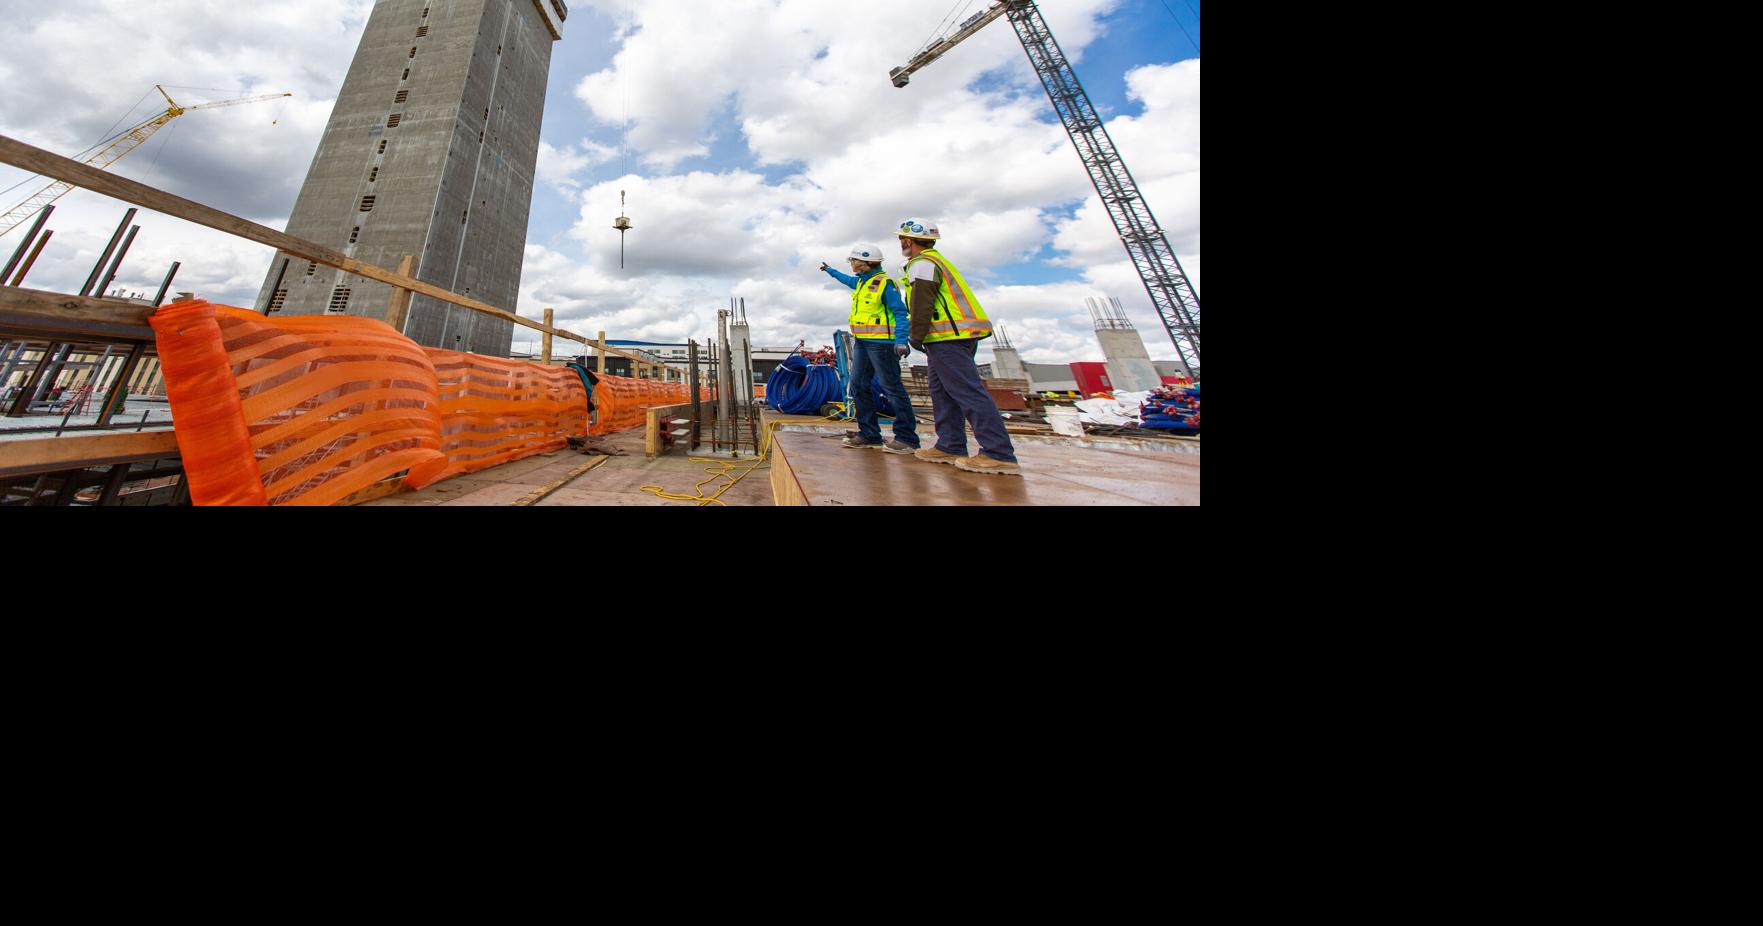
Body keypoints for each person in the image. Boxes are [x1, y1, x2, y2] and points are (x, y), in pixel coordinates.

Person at [895, 218, 1020, 476]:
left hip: (948, 338)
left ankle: (998, 453)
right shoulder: (933, 261)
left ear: (908, 240)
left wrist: (915, 336)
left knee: (967, 392)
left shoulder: (923, 263)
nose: (901, 244)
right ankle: (950, 445)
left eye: (901, 239)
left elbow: (921, 302)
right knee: (942, 393)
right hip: (944, 338)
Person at [820, 244, 919, 454]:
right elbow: (847, 280)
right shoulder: (861, 283)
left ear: (866, 262)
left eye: (854, 261)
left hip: (882, 344)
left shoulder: (885, 284)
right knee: (858, 385)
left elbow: (901, 313)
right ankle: (869, 434)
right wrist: (830, 271)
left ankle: (907, 438)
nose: (852, 264)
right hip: (862, 342)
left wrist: (902, 340)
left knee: (891, 388)